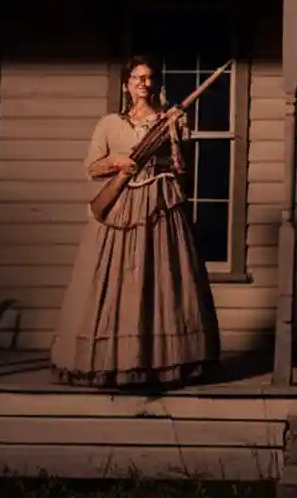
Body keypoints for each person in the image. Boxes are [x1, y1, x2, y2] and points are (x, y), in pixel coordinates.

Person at [50, 56, 221, 390]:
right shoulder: (110, 123)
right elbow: (91, 168)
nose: (144, 84)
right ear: (126, 84)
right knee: (116, 280)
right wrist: (119, 162)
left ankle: (161, 360)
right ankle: (116, 361)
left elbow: (181, 168)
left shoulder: (169, 119)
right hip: (122, 203)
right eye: (137, 78)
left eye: (149, 78)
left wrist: (173, 132)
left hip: (160, 200)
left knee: (165, 277)